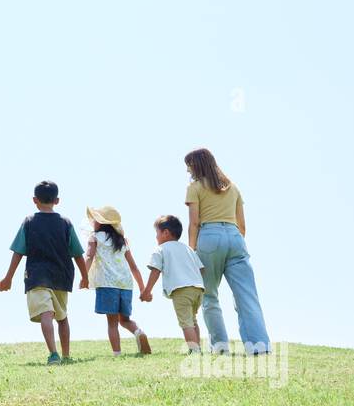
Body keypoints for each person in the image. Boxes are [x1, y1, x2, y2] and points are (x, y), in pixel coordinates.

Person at [183, 147, 270, 354]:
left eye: (189, 167)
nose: (188, 172)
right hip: (235, 237)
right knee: (247, 295)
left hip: (209, 237)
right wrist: (233, 242)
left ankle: (221, 347)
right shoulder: (233, 188)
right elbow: (242, 226)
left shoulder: (194, 188)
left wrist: (192, 251)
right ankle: (259, 346)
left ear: (197, 166)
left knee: (209, 295)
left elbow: (194, 223)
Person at [0, 180, 89, 365]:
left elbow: (18, 252)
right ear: (57, 200)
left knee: (47, 313)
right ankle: (66, 355)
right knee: (62, 317)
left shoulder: (29, 222)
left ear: (34, 200)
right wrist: (85, 277)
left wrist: (8, 278)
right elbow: (77, 253)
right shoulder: (65, 223)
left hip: (37, 274)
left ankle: (54, 354)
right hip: (62, 274)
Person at [83, 205, 151, 356]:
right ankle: (139, 332)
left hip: (108, 284)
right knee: (125, 320)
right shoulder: (122, 241)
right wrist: (142, 288)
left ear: (100, 223)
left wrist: (84, 276)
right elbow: (134, 267)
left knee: (112, 323)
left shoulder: (94, 238)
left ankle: (117, 353)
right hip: (126, 285)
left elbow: (89, 256)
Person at [139, 214, 205, 353]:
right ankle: (197, 348)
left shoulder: (161, 249)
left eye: (157, 233)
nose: (156, 237)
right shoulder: (188, 249)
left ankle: (194, 351)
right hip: (198, 289)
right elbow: (201, 268)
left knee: (186, 323)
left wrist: (147, 291)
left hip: (181, 290)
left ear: (166, 233)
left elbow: (155, 271)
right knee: (192, 320)